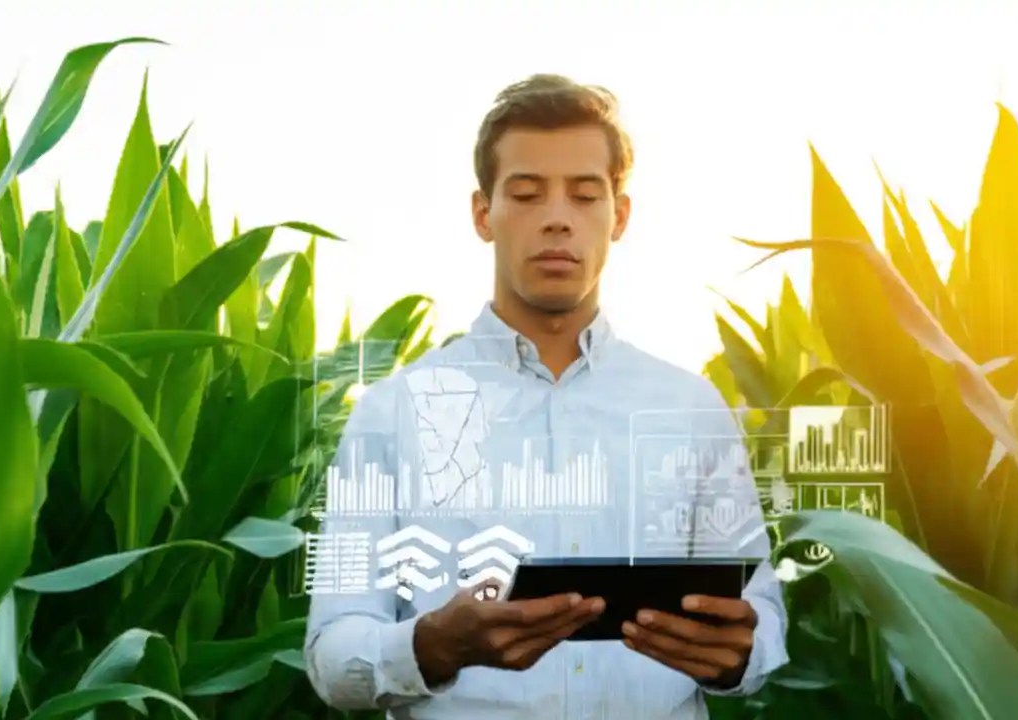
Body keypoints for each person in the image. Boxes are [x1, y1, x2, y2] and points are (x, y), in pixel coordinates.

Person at [304, 73, 788, 719]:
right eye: (527, 194)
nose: (558, 218)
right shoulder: (392, 413)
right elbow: (331, 654)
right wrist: (428, 647)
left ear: (619, 215)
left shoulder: (690, 409)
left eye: (586, 196)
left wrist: (736, 655)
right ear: (484, 214)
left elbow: (761, 614)